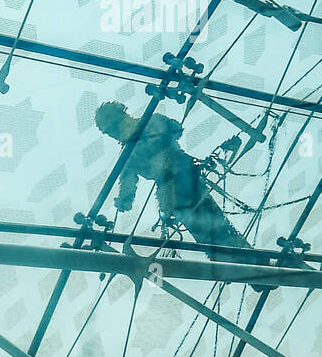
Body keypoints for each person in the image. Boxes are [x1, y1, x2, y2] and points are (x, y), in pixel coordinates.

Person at [94, 101, 250, 253]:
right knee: (213, 233)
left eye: (113, 129)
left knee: (214, 231)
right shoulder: (132, 149)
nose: (114, 135)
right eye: (110, 133)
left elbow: (176, 129)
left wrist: (124, 201)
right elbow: (176, 128)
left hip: (179, 186)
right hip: (177, 189)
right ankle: (238, 257)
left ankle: (238, 257)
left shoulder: (134, 147)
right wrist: (123, 201)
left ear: (124, 117)